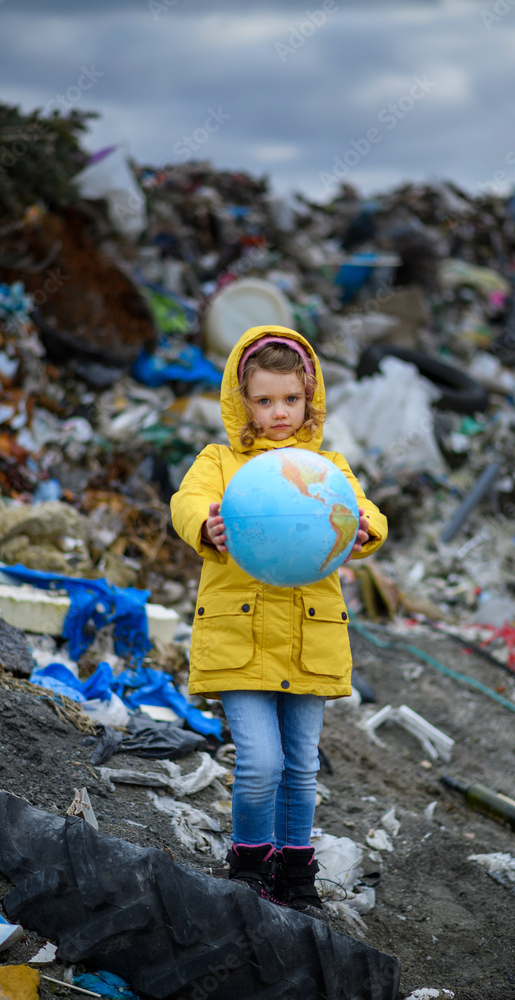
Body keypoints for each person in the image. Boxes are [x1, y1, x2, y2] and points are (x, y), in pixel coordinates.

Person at [170, 325, 387, 921]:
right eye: (263, 401)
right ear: (242, 402)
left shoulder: (326, 465)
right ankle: (248, 865)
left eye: (289, 399)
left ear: (309, 399)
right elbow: (186, 503)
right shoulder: (221, 462)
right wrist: (204, 526)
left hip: (309, 637)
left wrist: (365, 528)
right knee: (261, 761)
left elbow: (365, 509)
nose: (278, 412)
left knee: (301, 765)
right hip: (239, 638)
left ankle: (295, 874)